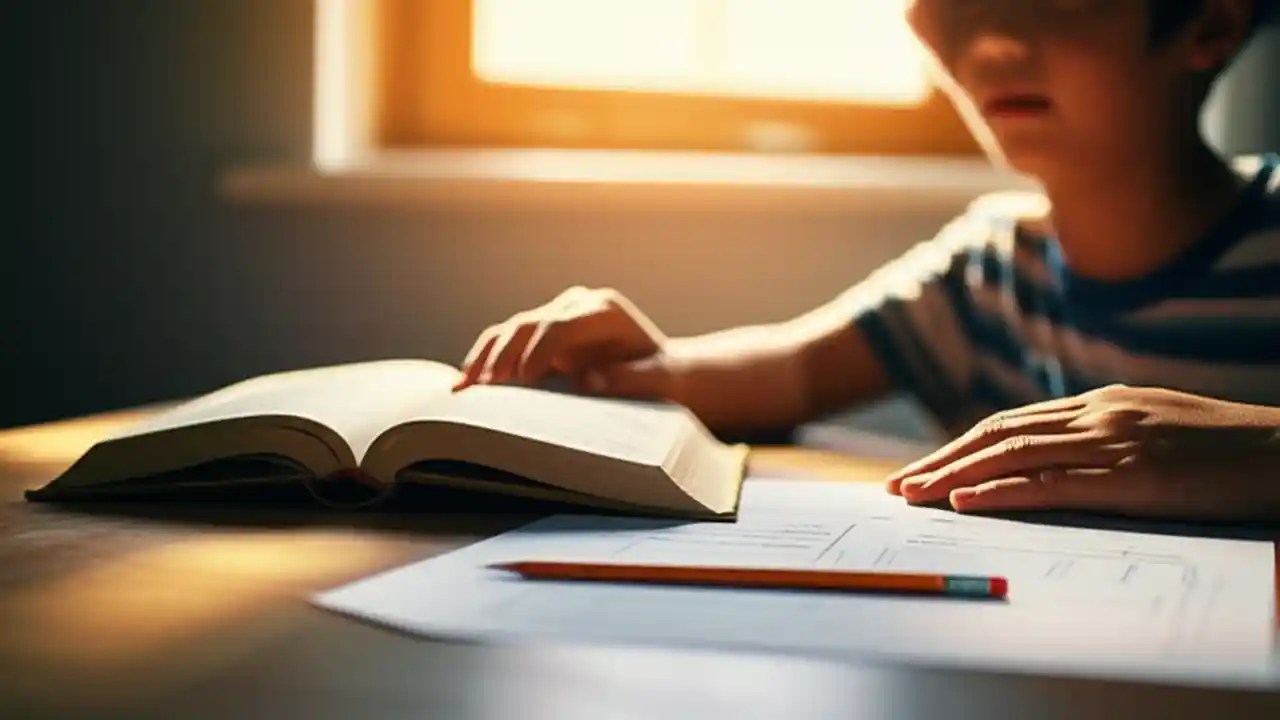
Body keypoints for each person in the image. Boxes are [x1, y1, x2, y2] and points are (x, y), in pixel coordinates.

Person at [453, 0, 1280, 520]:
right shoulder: (987, 269)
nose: (990, 42)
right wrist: (643, 366)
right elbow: (798, 370)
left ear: (1210, 22)